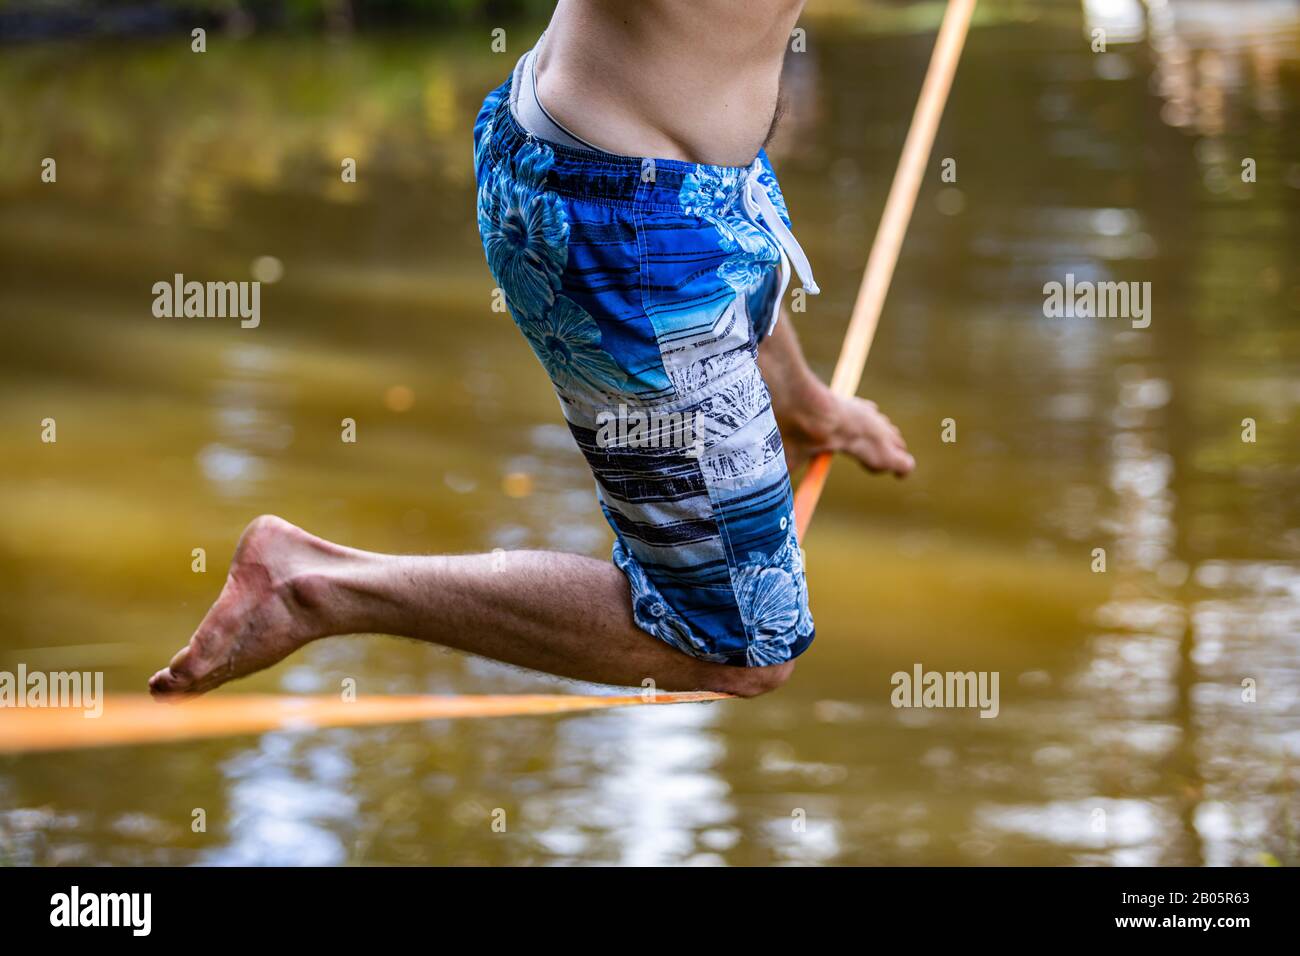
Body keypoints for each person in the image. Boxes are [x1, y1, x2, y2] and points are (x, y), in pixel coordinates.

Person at [149, 0, 913, 703]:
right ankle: (317, 586)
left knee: (710, 242)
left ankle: (804, 405)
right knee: (741, 648)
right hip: (627, 221)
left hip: (679, 180)